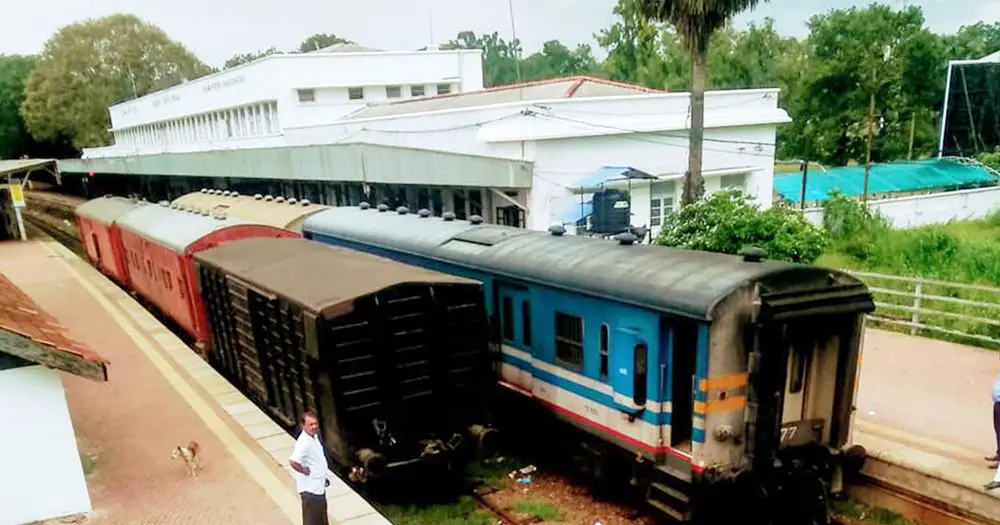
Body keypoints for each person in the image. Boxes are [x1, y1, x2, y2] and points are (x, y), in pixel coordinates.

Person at [289, 411, 330, 524]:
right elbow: (293, 461)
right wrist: (305, 470)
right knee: (312, 520)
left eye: (315, 424)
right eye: (311, 425)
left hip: (318, 487)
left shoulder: (314, 437)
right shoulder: (304, 442)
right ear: (303, 426)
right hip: (311, 490)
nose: (314, 427)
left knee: (321, 519)